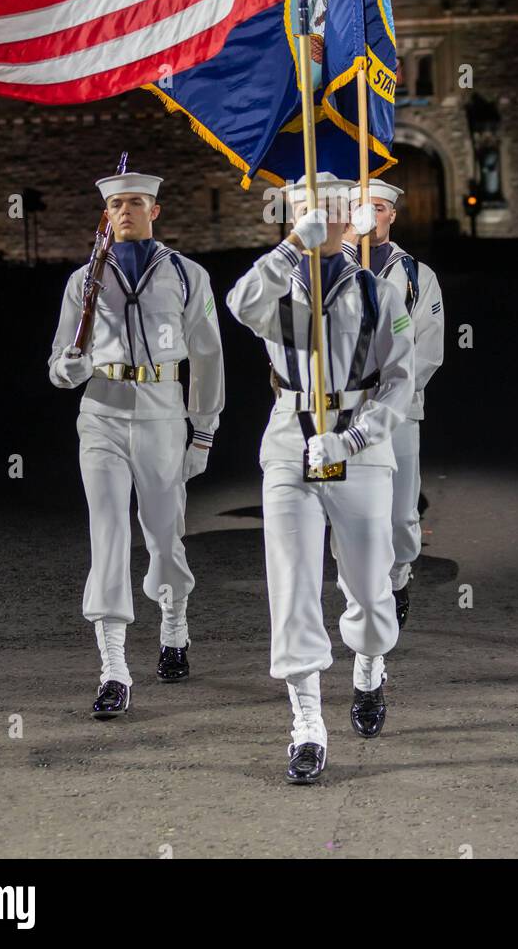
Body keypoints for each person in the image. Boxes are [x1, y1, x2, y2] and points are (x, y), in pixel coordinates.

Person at [226, 173, 414, 783]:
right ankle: (306, 721)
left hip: (357, 441)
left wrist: (356, 436)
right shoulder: (277, 282)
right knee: (292, 577)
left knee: (367, 578)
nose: (324, 219)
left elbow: (399, 381)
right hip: (290, 438)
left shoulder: (380, 290)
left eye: (334, 209)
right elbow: (239, 304)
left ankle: (368, 667)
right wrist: (288, 249)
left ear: (351, 216)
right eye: (309, 210)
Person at [49, 169, 225, 719]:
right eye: (116, 204)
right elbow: (58, 362)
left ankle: (174, 626)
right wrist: (69, 369)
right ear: (106, 213)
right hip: (101, 412)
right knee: (108, 533)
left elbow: (208, 355)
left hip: (162, 414)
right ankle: (113, 668)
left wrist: (203, 430)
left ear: (155, 210)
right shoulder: (84, 279)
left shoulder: (187, 275)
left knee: (165, 531)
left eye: (135, 202)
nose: (125, 211)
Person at [343, 180, 444, 628]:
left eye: (379, 207)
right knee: (348, 508)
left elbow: (429, 347)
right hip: (342, 410)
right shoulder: (325, 268)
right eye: (362, 208)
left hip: (400, 412)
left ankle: (399, 575)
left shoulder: (418, 276)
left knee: (401, 513)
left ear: (392, 216)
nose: (371, 215)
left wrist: (393, 395)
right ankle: (361, 594)